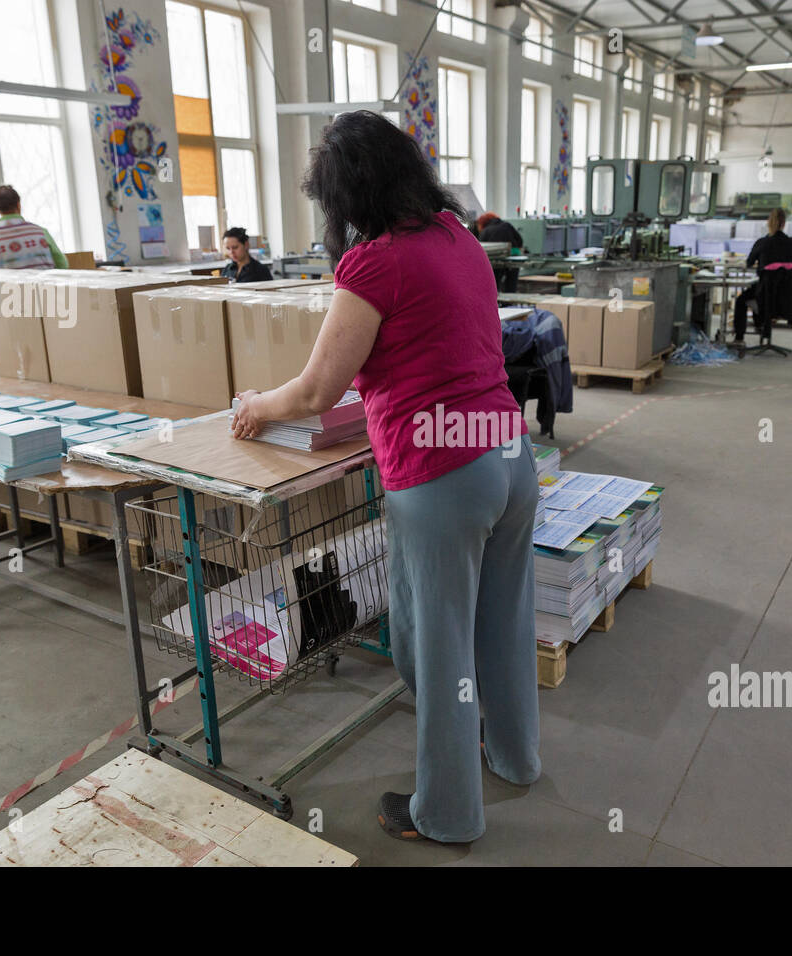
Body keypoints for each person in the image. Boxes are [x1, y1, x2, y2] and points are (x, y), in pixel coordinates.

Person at [229, 110, 541, 844]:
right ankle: (517, 758)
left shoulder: (373, 264)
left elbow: (313, 392)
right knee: (504, 624)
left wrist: (254, 407)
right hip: (507, 457)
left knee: (434, 654)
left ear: (345, 197)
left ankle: (448, 814)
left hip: (441, 479)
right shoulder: (459, 238)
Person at [732, 207, 792, 346]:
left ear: (768, 223)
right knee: (759, 291)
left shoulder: (762, 243)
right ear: (784, 223)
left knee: (741, 300)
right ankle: (761, 326)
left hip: (765, 295)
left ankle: (739, 337)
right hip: (787, 297)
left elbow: (749, 263)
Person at [0, 185, 68, 269]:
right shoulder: (40, 232)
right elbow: (62, 264)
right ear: (18, 204)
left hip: (7, 286)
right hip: (44, 286)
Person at [476, 213, 525, 293]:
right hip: (513, 258)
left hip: (495, 260)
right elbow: (520, 241)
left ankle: (497, 302)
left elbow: (480, 249)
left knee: (495, 283)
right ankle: (510, 303)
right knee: (511, 283)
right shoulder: (507, 225)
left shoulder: (485, 231)